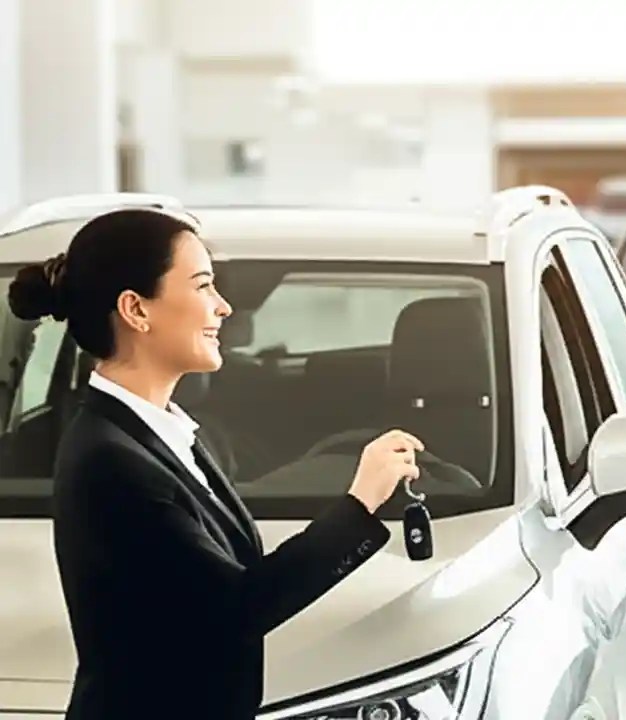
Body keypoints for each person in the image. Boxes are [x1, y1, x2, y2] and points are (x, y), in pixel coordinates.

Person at [7, 208, 426, 720]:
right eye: (203, 286)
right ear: (136, 310)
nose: (223, 307)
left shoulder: (159, 434)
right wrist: (361, 502)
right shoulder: (110, 461)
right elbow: (235, 609)